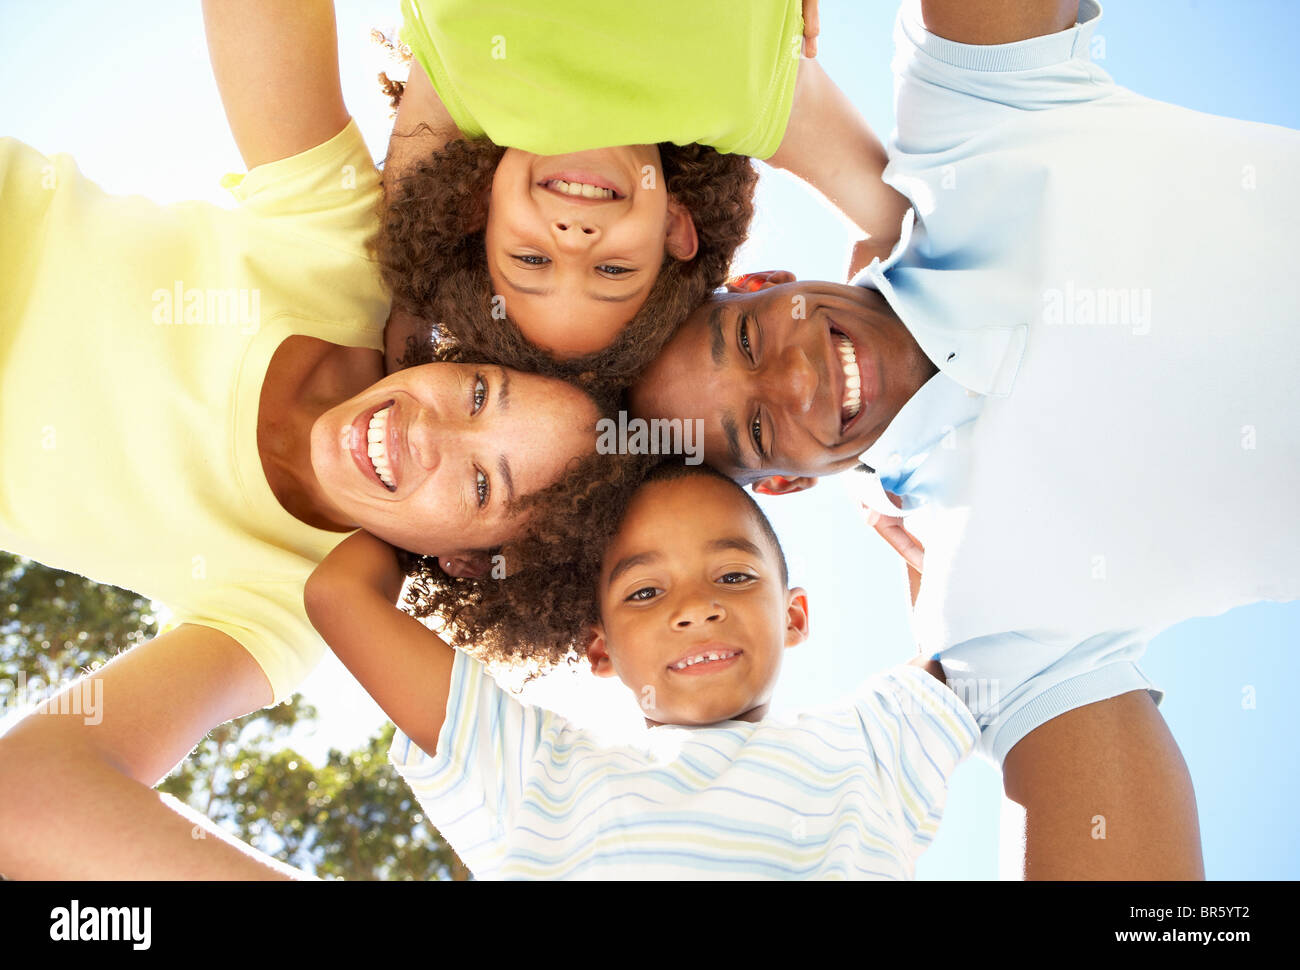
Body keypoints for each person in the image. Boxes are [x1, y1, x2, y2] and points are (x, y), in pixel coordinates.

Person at [628, 0, 1300, 877]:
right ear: (786, 485)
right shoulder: (982, 621)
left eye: (749, 338)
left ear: (762, 280)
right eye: (755, 427)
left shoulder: (964, 124)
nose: (798, 380)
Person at [0, 0, 623, 879]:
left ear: (466, 562)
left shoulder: (281, 609)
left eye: (483, 486)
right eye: (481, 393)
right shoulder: (343, 253)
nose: (430, 429)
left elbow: (27, 797)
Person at [306, 461, 977, 878]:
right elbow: (340, 596)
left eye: (735, 575)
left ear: (794, 616)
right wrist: (466, 499)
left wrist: (887, 483)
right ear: (600, 650)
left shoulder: (867, 749)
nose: (695, 608)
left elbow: (965, 636)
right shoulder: (536, 765)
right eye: (646, 592)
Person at [378, 0, 911, 386]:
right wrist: (882, 477)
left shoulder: (462, 76)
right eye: (613, 270)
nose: (575, 239)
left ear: (478, 210)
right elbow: (898, 227)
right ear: (673, 228)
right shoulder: (746, 100)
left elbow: (400, 287)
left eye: (531, 259)